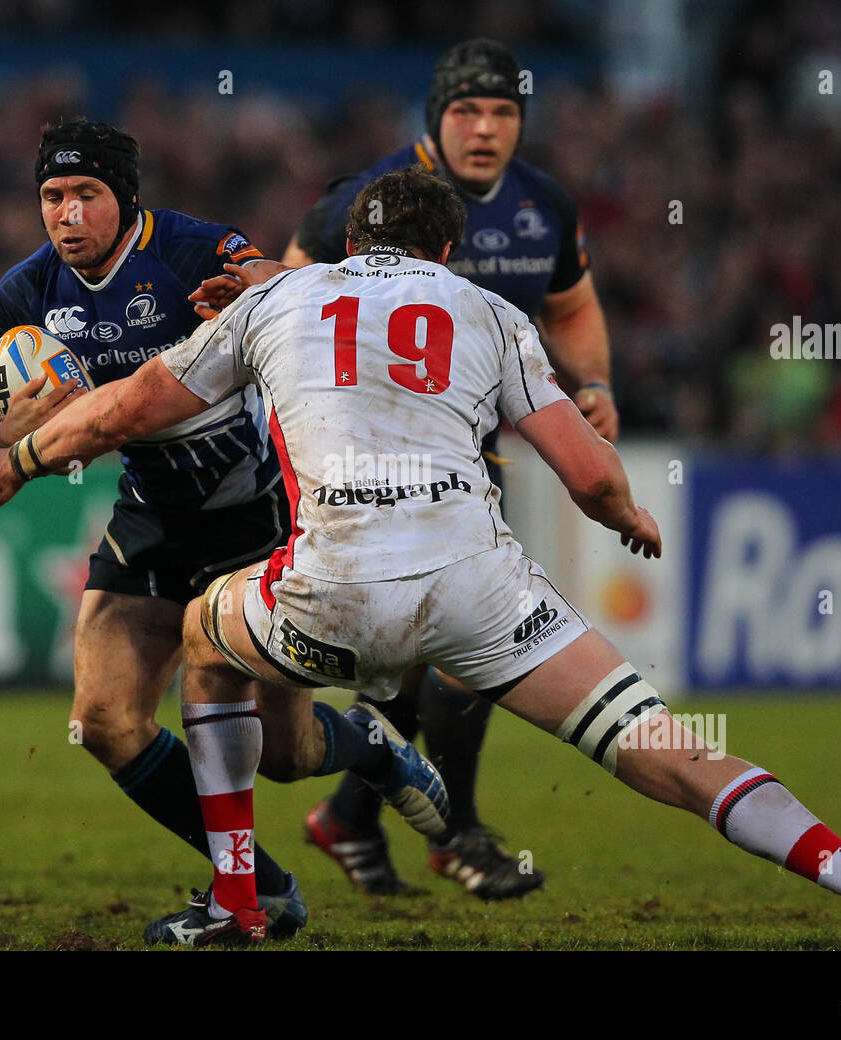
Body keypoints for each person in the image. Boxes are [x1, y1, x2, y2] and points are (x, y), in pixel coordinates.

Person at [0, 165, 841, 952]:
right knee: (665, 750)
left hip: (328, 581)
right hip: (478, 584)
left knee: (201, 632)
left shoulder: (275, 300)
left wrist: (25, 455)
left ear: (342, 241)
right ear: (447, 253)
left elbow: (133, 405)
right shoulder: (491, 312)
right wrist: (627, 517)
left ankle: (241, 904)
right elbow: (585, 469)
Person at [0, 118, 448, 945]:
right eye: (51, 196)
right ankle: (259, 888)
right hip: (155, 521)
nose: (67, 214)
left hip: (261, 519)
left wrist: (251, 285)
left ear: (127, 196)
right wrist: (15, 428)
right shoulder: (26, 294)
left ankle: (366, 744)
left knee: (284, 755)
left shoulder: (190, 250)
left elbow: (279, 284)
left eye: (85, 194)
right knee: (103, 720)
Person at [280, 37, 616, 900]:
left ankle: (368, 821)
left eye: (503, 112)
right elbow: (283, 300)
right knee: (436, 650)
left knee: (437, 652)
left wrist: (596, 382)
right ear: (436, 116)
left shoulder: (545, 206)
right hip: (366, 464)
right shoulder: (372, 201)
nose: (484, 128)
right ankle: (449, 832)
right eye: (467, 110)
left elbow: (573, 308)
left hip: (474, 461)